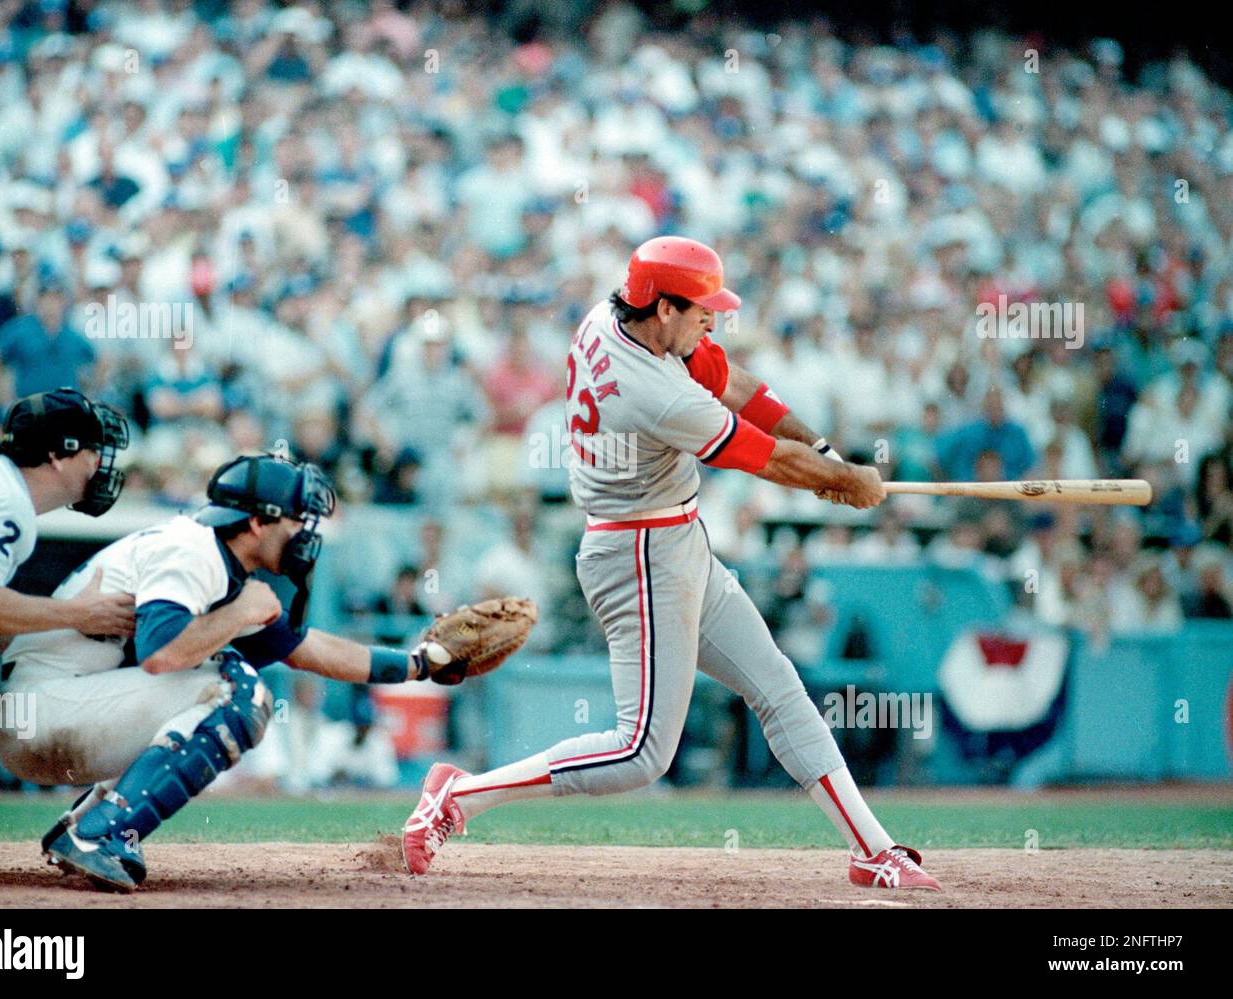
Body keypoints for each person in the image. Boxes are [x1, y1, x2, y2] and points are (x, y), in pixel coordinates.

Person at [402, 236, 942, 890]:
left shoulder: (616, 319)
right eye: (701, 308)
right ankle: (459, 794)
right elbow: (766, 459)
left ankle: (872, 848)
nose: (714, 318)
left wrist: (828, 453)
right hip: (637, 553)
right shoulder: (654, 389)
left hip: (675, 537)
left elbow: (738, 384)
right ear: (661, 307)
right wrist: (841, 480)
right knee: (640, 752)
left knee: (776, 683)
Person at [0, 454, 474, 893]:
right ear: (260, 522)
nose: (306, 535)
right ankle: (103, 834)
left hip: (58, 710)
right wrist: (240, 612)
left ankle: (88, 824)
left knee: (226, 675)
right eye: (296, 521)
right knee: (236, 690)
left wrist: (419, 663)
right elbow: (162, 654)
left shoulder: (222, 565)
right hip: (43, 712)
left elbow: (311, 650)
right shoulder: (191, 549)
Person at [0, 388, 133, 887]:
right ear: (58, 456)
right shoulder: (6, 503)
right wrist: (76, 613)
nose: (98, 463)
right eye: (91, 450)